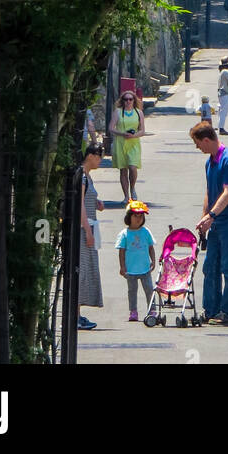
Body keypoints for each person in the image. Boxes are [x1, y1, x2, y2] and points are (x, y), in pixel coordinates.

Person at [190, 121, 228, 325]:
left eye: (199, 144)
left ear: (207, 140)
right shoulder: (210, 162)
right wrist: (204, 217)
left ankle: (227, 312)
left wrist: (212, 216)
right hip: (216, 220)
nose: (199, 148)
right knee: (210, 266)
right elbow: (209, 191)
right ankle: (211, 310)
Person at [116, 200, 156, 322]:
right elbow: (121, 251)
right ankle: (133, 311)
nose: (138, 219)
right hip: (131, 269)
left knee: (149, 289)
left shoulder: (146, 232)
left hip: (145, 268)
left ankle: (152, 309)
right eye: (135, 216)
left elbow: (150, 247)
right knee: (132, 291)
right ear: (129, 217)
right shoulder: (124, 234)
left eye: (141, 216)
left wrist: (153, 260)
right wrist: (122, 267)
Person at [78, 143, 105, 329]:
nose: (100, 160)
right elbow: (78, 203)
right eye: (98, 156)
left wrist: (96, 202)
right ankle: (75, 315)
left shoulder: (88, 177)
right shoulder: (81, 176)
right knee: (81, 272)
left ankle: (77, 314)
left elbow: (86, 200)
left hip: (88, 227)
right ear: (90, 156)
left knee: (86, 271)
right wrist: (87, 230)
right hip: (82, 230)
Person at [109, 90, 145, 203]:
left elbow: (142, 130)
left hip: (133, 143)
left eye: (130, 99)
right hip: (120, 143)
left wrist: (134, 135)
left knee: (133, 167)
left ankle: (132, 188)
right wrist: (122, 134)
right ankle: (126, 196)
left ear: (134, 100)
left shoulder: (138, 112)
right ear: (122, 101)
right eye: (126, 99)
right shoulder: (118, 112)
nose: (128, 101)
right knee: (123, 170)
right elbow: (111, 128)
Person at [217, 57, 228, 135]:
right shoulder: (226, 72)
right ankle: (221, 128)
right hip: (225, 93)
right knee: (224, 111)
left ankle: (220, 126)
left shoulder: (221, 72)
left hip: (221, 93)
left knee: (221, 112)